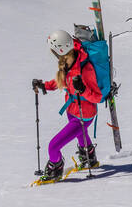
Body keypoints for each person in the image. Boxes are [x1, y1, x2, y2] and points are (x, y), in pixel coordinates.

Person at [32, 30, 103, 182]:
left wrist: (83, 89)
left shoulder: (85, 68)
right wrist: (44, 85)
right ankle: (89, 158)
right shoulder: (68, 62)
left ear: (60, 50)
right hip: (72, 111)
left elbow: (97, 97)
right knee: (81, 135)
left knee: (53, 146)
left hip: (84, 115)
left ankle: (55, 169)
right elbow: (63, 81)